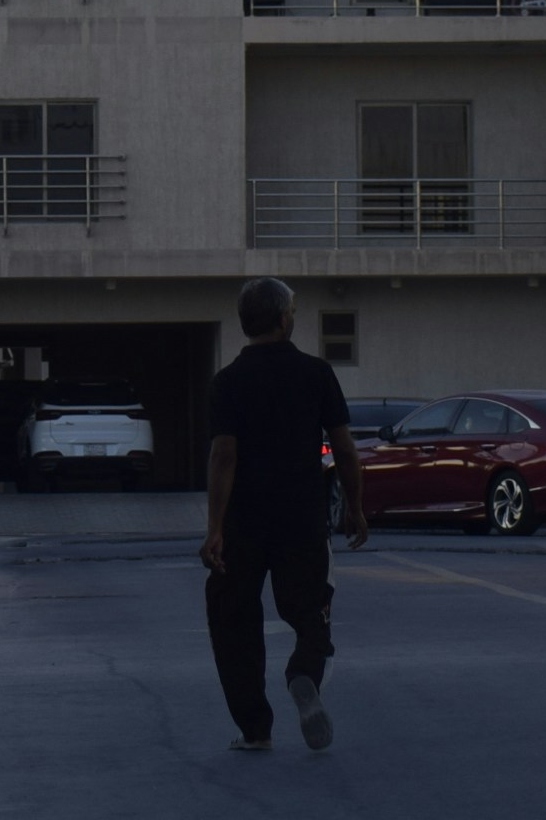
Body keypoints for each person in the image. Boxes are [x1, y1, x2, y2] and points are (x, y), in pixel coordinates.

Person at [201, 276, 367, 752]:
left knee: (233, 621)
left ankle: (254, 729)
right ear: (282, 319)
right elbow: (344, 448)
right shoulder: (316, 374)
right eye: (291, 311)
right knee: (311, 612)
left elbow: (223, 456)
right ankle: (303, 675)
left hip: (242, 522)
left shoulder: (227, 382)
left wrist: (214, 529)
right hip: (302, 519)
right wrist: (353, 507)